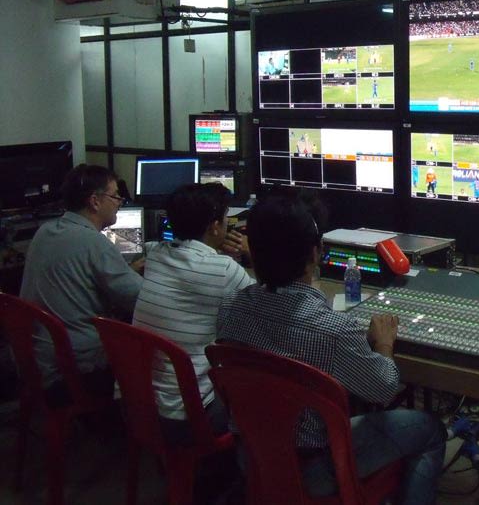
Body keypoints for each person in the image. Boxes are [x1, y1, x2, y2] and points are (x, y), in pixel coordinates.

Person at [217, 192, 446, 504]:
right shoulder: (334, 331)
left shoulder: (231, 307)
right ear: (316, 252)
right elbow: (384, 388)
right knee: (430, 429)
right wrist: (383, 343)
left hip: (251, 457)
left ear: (253, 253)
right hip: (314, 469)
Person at [132, 183, 252, 463]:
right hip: (190, 419)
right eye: (224, 219)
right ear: (214, 227)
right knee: (265, 391)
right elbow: (270, 307)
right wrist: (251, 251)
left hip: (139, 408)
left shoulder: (155, 253)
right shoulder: (223, 269)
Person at [20, 164, 144, 396]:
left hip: (37, 356)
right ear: (95, 201)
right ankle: (137, 422)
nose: (119, 201)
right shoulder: (95, 244)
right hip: (73, 367)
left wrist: (126, 270)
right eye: (115, 195)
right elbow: (139, 299)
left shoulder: (45, 230)